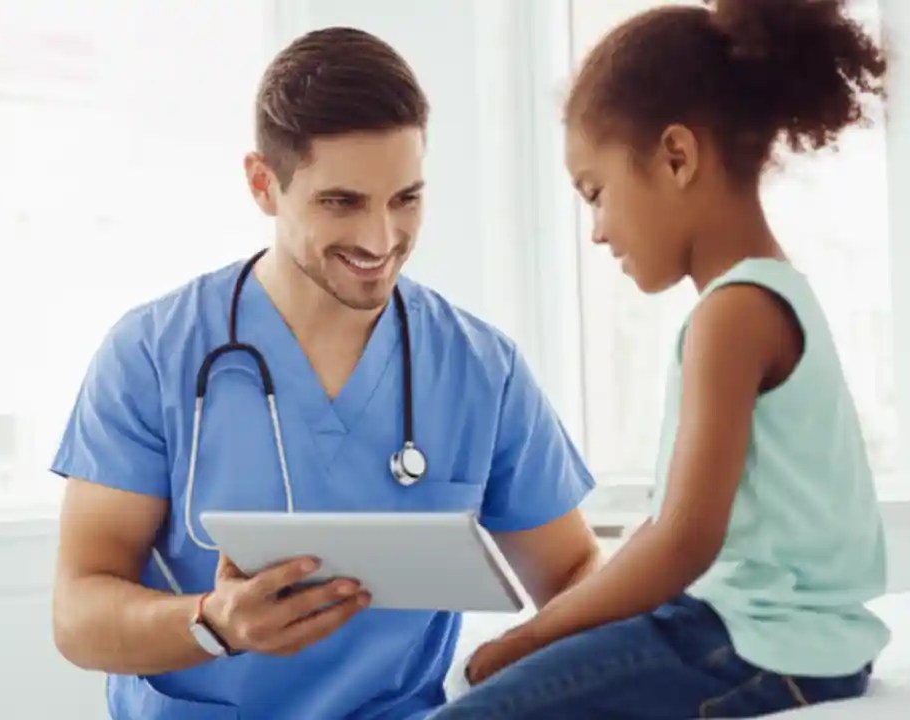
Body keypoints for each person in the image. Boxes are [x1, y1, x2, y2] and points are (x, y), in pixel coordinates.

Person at [48, 27, 600, 720]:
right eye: (341, 202)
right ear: (262, 184)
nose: (379, 240)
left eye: (405, 198)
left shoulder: (480, 370)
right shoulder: (152, 353)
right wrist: (213, 623)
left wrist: (517, 669)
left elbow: (574, 574)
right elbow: (77, 611)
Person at [431, 1, 891, 717]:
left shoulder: (732, 314)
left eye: (596, 194)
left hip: (755, 645)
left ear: (676, 157)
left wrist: (524, 641)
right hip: (792, 641)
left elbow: (681, 545)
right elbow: (674, 530)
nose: (597, 231)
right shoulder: (767, 294)